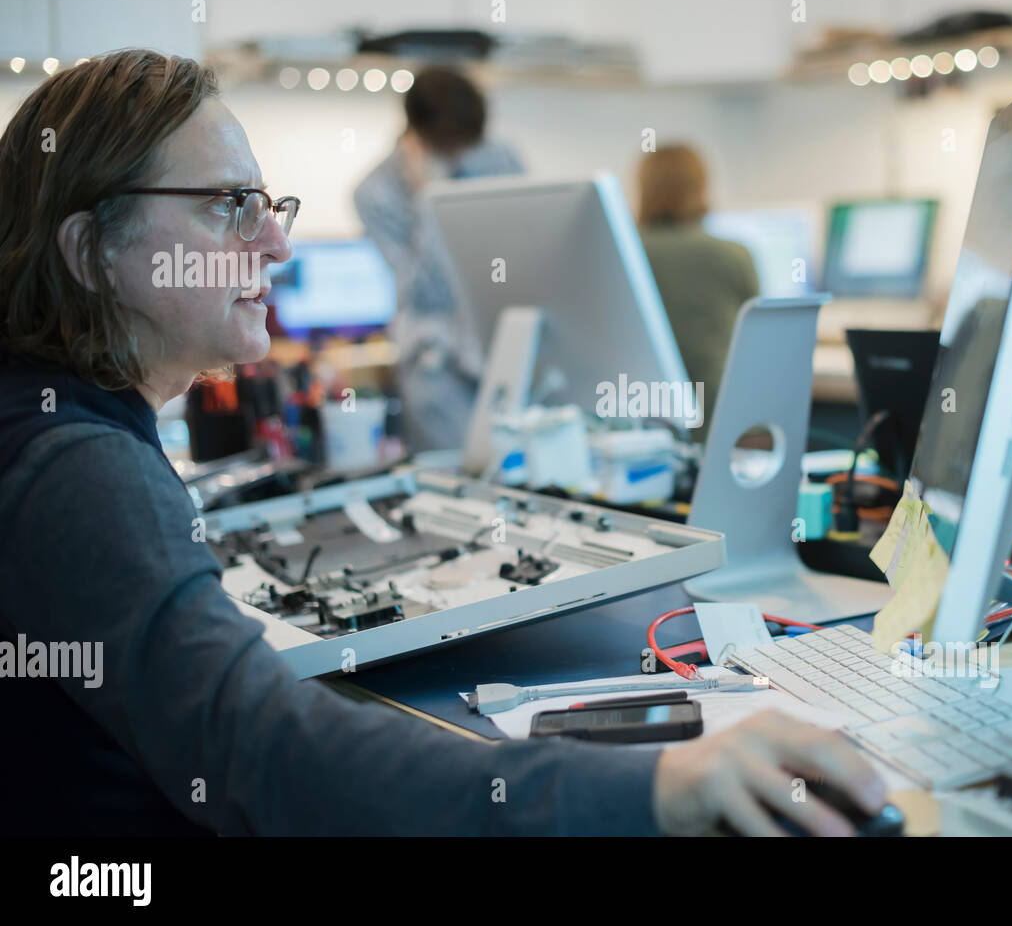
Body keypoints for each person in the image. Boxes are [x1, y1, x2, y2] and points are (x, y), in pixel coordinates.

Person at [0, 49, 886, 836]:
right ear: (91, 252)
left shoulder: (55, 427)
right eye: (230, 206)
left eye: (267, 205)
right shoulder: (80, 470)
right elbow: (270, 757)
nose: (276, 241)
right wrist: (652, 787)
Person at [353, 67, 524, 453]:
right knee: (458, 493)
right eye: (450, 146)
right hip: (438, 370)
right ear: (420, 134)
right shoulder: (376, 193)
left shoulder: (500, 160)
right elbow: (429, 294)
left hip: (505, 354)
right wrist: (430, 197)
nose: (462, 154)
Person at [636, 145, 760, 439]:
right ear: (700, 187)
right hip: (721, 419)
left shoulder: (624, 251)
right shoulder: (733, 254)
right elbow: (759, 341)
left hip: (645, 420)